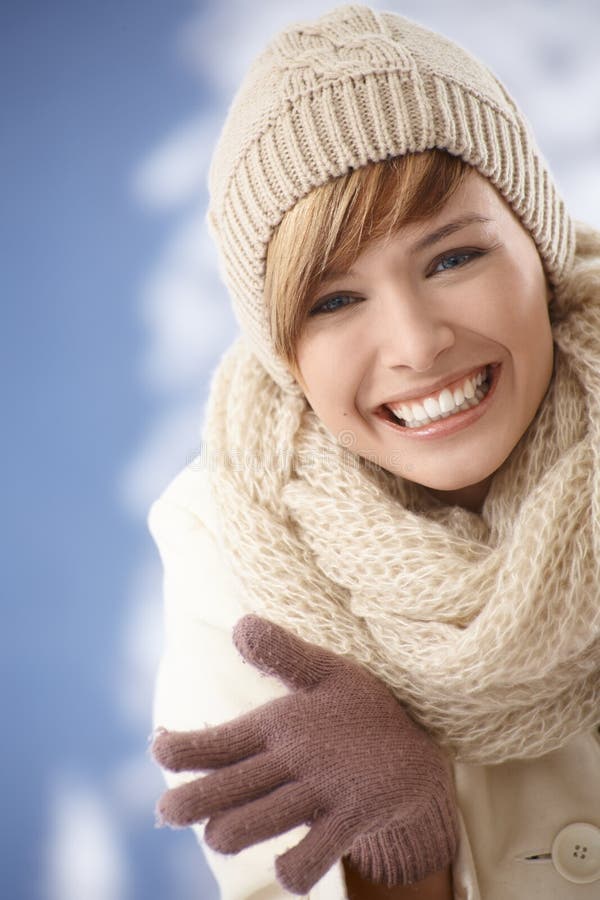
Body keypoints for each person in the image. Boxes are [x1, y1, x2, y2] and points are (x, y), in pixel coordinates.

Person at [148, 5, 600, 898]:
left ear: (536, 244)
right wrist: (400, 857)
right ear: (286, 353)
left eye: (452, 259)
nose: (417, 344)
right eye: (333, 302)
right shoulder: (231, 548)